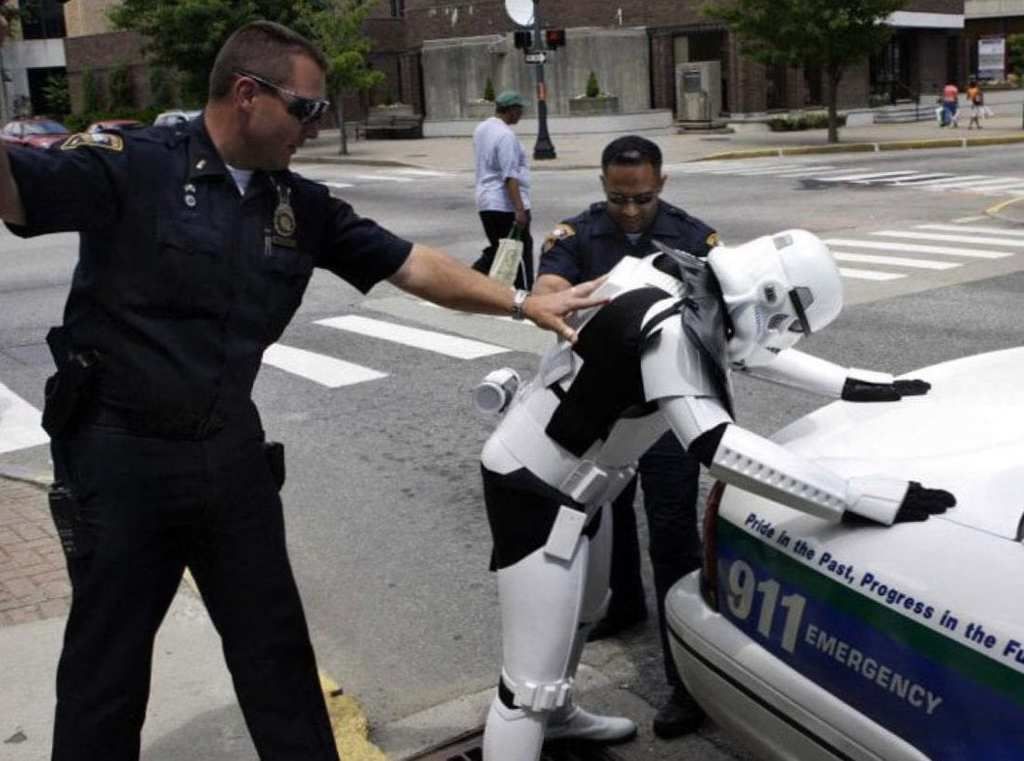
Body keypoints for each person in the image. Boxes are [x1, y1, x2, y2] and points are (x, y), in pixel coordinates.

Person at [0, 21, 605, 761]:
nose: (317, 128)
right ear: (248, 95)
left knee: (276, 655)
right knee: (107, 670)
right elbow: (19, 190)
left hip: (229, 455)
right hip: (120, 458)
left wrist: (520, 304)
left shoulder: (300, 205)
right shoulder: (135, 164)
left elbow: (410, 265)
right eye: (308, 109)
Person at [476, 229, 955, 761]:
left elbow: (735, 346)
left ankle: (560, 719)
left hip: (584, 485)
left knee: (584, 612)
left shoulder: (670, 274)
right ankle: (540, 717)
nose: (786, 335)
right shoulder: (670, 324)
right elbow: (715, 443)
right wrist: (849, 497)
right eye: (789, 321)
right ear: (768, 292)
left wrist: (854, 383)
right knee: (528, 687)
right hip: (538, 487)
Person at [533, 134, 718, 738]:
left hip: (665, 412)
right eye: (618, 199)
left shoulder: (695, 238)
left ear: (660, 184)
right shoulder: (579, 234)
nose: (630, 211)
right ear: (603, 187)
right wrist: (560, 297)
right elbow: (548, 288)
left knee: (672, 536)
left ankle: (685, 683)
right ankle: (627, 603)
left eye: (641, 198)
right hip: (602, 409)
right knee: (602, 519)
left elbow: (728, 317)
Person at [472, 90, 533, 289]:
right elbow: (509, 176)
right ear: (512, 110)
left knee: (499, 250)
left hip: (485, 201)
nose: (521, 114)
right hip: (504, 204)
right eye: (520, 110)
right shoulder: (506, 136)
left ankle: (470, 281)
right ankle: (525, 294)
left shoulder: (482, 128)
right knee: (519, 251)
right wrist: (519, 209)